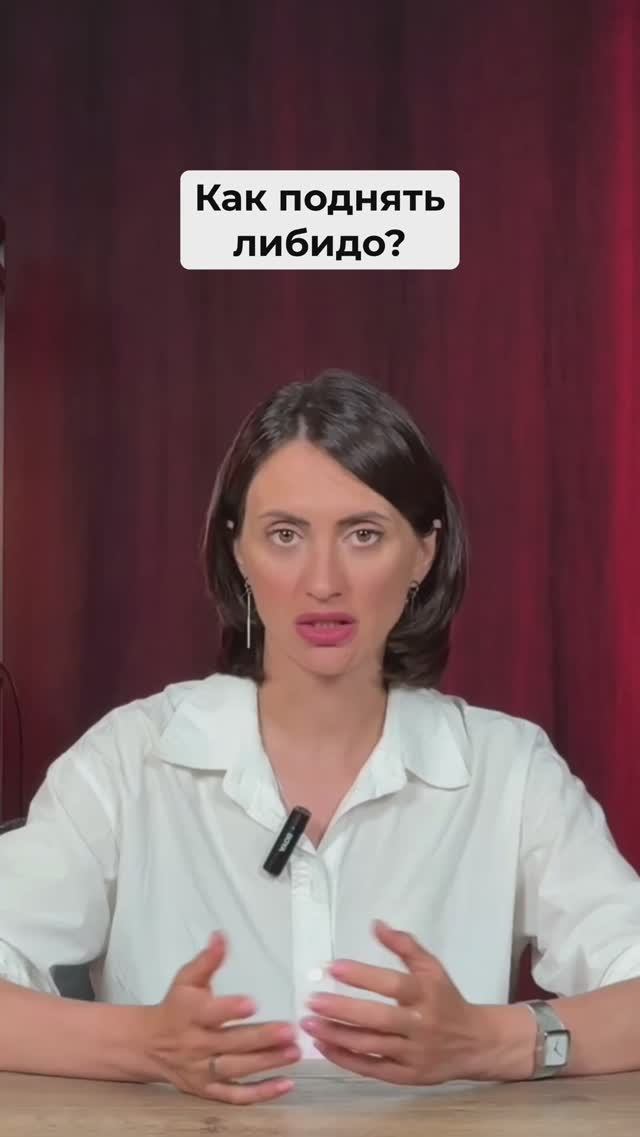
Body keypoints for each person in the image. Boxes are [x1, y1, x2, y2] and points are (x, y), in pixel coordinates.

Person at [1, 369, 640, 1106]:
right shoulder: (128, 759)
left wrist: (494, 1042)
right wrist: (144, 1043)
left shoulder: (510, 769)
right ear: (239, 552)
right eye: (286, 535)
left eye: (364, 534)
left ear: (423, 554)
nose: (324, 581)